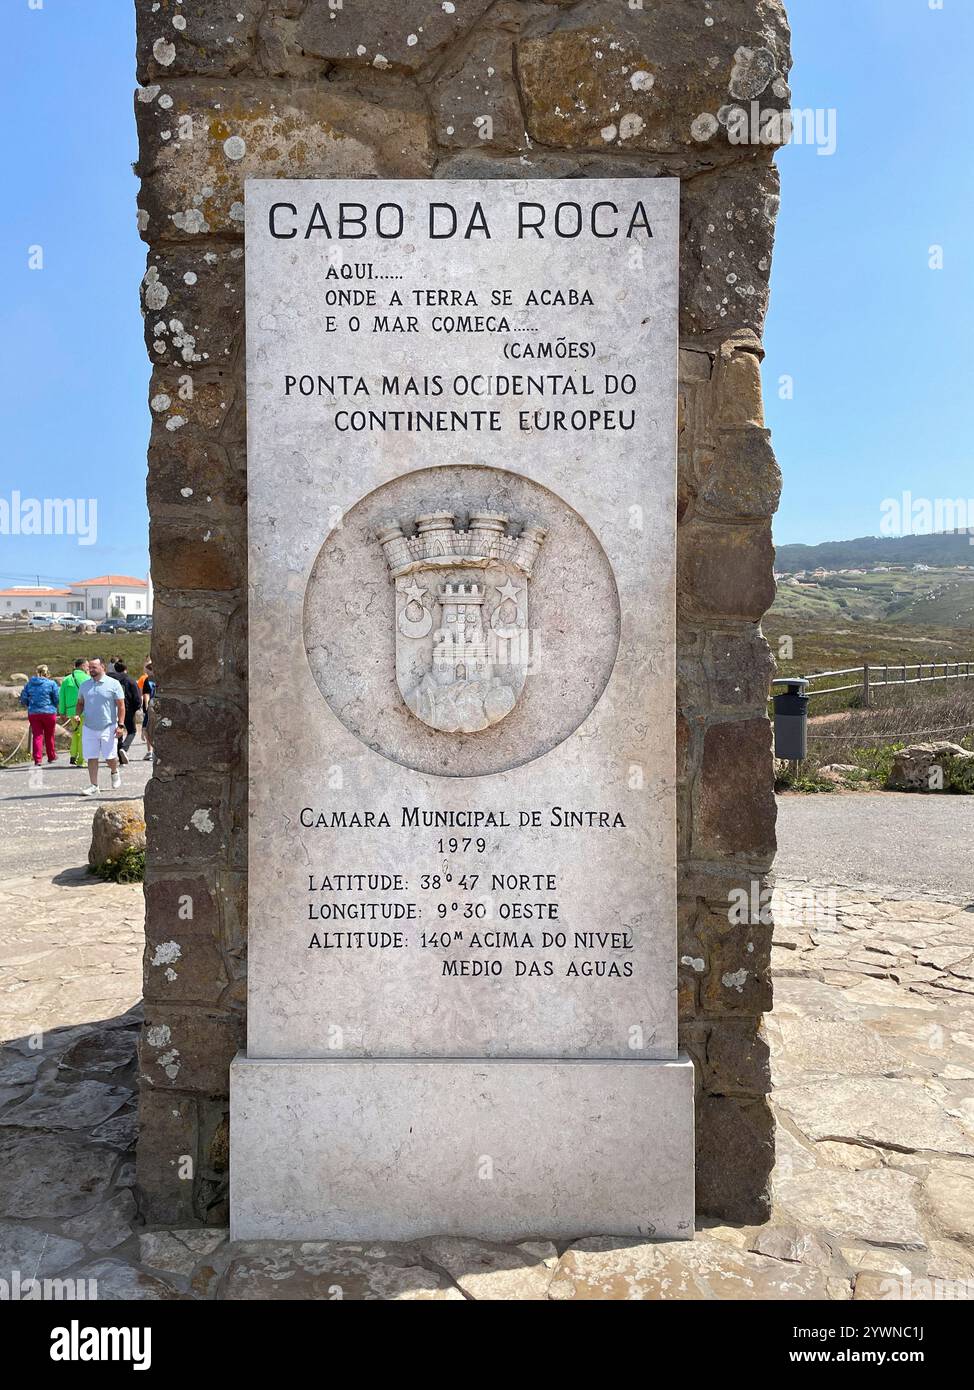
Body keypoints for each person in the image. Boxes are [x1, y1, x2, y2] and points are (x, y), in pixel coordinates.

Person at [75, 658, 125, 796]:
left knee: (110, 757)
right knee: (92, 757)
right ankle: (94, 785)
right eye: (89, 667)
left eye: (94, 667)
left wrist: (120, 725)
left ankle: (114, 772)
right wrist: (77, 715)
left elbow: (121, 706)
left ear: (103, 667)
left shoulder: (114, 684)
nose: (91, 670)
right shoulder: (84, 685)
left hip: (108, 726)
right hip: (89, 726)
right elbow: (80, 703)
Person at [19, 664, 60, 765]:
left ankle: (38, 759)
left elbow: (23, 698)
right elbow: (57, 698)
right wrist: (54, 706)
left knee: (37, 735)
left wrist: (30, 704)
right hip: (49, 712)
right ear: (47, 672)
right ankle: (51, 756)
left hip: (34, 713)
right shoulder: (51, 684)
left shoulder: (29, 684)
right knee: (49, 735)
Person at [57, 657, 89, 767]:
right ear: (82, 666)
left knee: (76, 733)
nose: (88, 668)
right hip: (85, 711)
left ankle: (73, 756)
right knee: (84, 735)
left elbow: (61, 697)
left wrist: (62, 712)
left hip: (71, 711)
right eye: (87, 666)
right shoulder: (87, 678)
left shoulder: (66, 680)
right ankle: (82, 760)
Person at [112, 661, 142, 766]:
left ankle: (120, 758)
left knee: (118, 732)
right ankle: (125, 748)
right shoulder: (130, 680)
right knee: (132, 731)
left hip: (113, 709)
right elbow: (137, 698)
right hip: (128, 709)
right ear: (126, 669)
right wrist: (136, 708)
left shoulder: (111, 681)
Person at [138, 659, 156, 760]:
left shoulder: (147, 680)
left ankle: (150, 751)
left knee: (148, 729)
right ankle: (155, 751)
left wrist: (145, 707)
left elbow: (146, 695)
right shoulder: (160, 679)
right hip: (159, 706)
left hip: (151, 706)